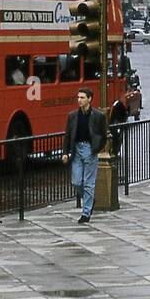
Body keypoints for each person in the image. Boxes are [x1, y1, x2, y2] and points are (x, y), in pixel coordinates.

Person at [62, 88, 107, 224]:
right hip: (76, 149)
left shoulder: (98, 116)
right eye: (78, 97)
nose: (79, 100)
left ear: (89, 99)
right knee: (76, 181)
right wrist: (65, 152)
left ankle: (86, 213)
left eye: (82, 97)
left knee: (88, 183)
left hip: (89, 149)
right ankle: (90, 198)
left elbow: (103, 135)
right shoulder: (72, 115)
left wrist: (96, 149)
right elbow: (68, 135)